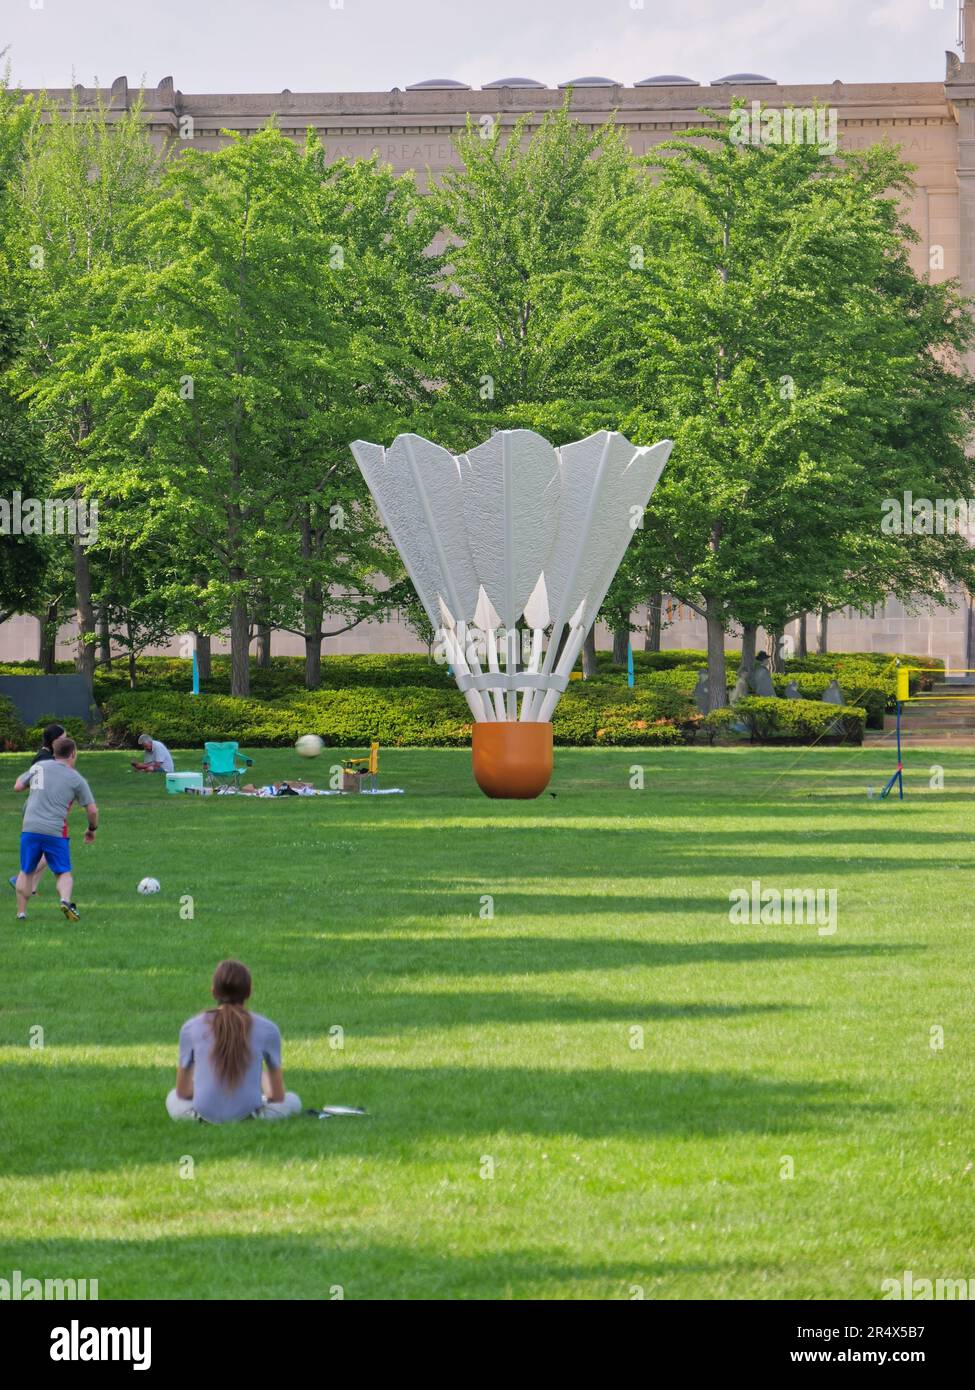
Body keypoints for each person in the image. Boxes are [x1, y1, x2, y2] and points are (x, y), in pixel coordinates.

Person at [166, 960, 302, 1123]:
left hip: (201, 1117)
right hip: (251, 1117)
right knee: (293, 1100)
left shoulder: (190, 1027)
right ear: (249, 992)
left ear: (213, 992)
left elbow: (183, 1093)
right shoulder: (268, 1029)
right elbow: (278, 1096)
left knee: (172, 1096)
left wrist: (203, 1083)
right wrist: (260, 1078)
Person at [13, 735, 97, 923]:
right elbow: (92, 810)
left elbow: (18, 786)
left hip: (30, 827)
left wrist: (24, 776)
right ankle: (65, 901)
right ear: (73, 754)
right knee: (62, 872)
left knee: (26, 871)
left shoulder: (38, 767)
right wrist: (92, 828)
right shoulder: (76, 778)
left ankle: (21, 913)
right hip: (55, 831)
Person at [8, 722, 66, 896]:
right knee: (51, 850)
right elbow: (29, 783)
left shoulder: (46, 756)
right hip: (41, 808)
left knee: (46, 850)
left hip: (42, 807)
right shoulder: (44, 759)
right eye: (64, 738)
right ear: (54, 740)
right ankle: (20, 878)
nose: (67, 741)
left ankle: (31, 888)